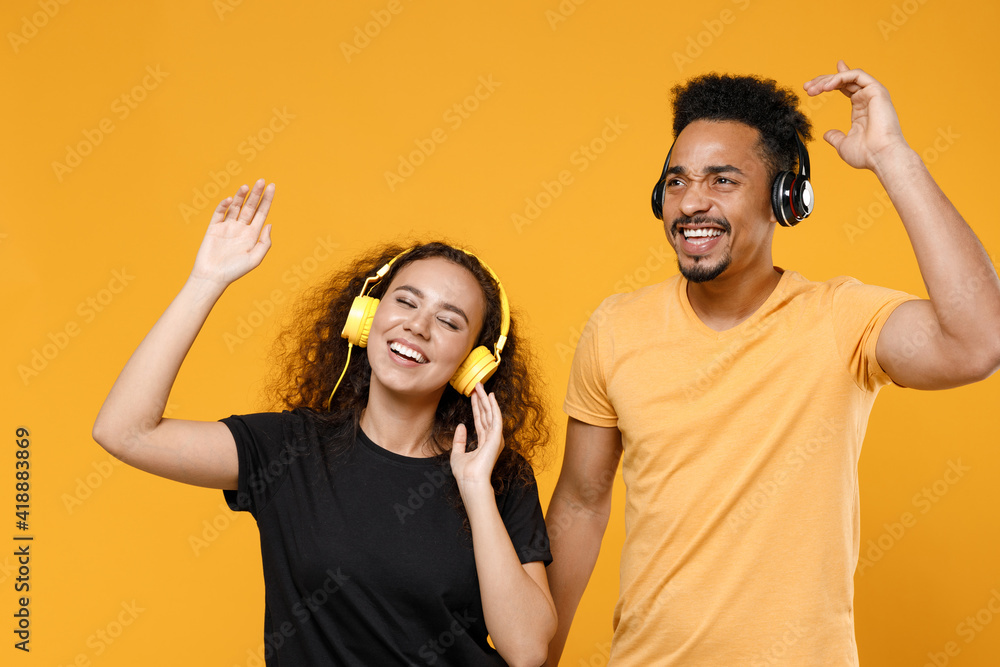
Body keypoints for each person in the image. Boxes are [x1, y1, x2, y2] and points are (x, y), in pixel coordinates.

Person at [543, 61, 1000, 665]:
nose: (691, 203)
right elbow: (579, 503)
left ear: (786, 197)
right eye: (677, 181)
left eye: (723, 180)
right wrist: (538, 658)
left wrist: (893, 156)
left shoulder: (841, 318)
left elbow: (979, 339)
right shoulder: (616, 327)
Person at [92, 180, 557, 666]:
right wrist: (205, 281)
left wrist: (475, 486)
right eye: (405, 301)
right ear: (366, 316)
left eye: (449, 321)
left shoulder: (498, 473)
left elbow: (526, 651)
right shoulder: (289, 450)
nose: (417, 326)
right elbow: (125, 432)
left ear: (471, 364)